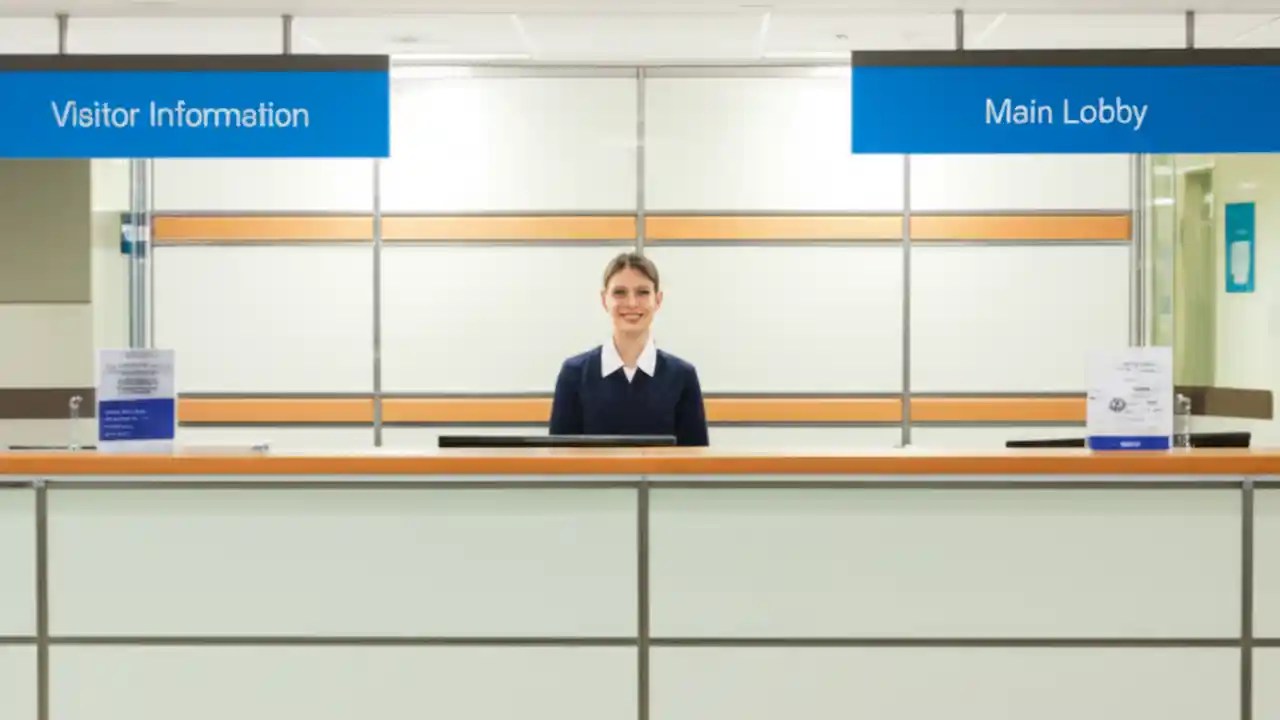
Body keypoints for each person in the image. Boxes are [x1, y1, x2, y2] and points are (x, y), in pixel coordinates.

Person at [549, 251, 709, 446]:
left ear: (658, 300)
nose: (632, 303)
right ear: (604, 300)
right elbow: (559, 460)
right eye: (620, 292)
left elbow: (696, 462)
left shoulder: (683, 376)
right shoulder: (574, 373)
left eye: (643, 292)